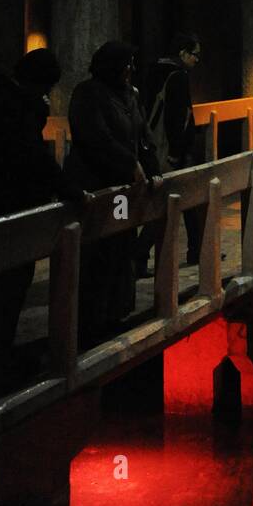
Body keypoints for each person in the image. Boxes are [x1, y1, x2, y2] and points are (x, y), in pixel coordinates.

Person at [0, 49, 83, 379]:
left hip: (4, 205)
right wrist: (71, 191)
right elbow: (33, 157)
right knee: (9, 287)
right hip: (12, 206)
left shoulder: (2, 99)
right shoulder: (18, 110)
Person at [64, 42, 161, 346]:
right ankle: (89, 323)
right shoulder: (88, 93)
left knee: (121, 249)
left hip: (126, 190)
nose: (130, 69)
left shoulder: (129, 96)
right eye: (125, 64)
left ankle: (115, 312)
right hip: (97, 185)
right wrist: (128, 163)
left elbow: (142, 134)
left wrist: (153, 168)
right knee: (97, 254)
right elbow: (95, 137)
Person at [137, 32, 203, 272]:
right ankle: (140, 251)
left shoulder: (153, 71)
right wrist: (177, 151)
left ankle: (197, 248)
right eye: (195, 54)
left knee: (188, 196)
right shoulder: (178, 76)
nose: (197, 60)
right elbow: (178, 118)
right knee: (171, 200)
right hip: (171, 148)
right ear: (183, 53)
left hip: (155, 145)